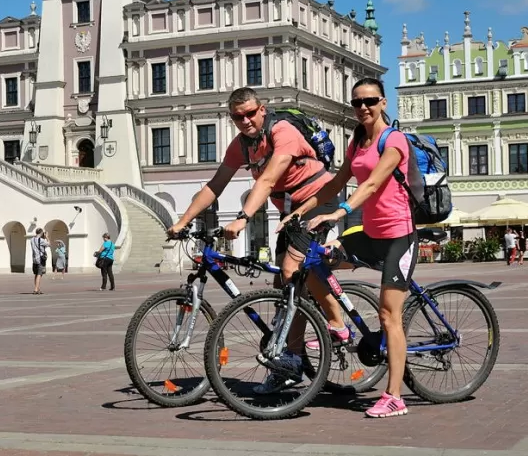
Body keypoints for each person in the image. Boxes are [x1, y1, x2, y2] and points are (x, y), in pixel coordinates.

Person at [166, 86, 347, 393]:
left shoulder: (284, 131)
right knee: (285, 287)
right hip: (290, 211)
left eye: (251, 113)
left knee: (291, 271)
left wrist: (244, 217)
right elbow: (215, 185)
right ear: (232, 118)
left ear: (262, 109)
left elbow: (266, 180)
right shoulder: (242, 146)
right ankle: (292, 360)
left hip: (319, 199)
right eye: (239, 117)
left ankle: (338, 327)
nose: (246, 120)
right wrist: (182, 221)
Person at [286, 77, 416, 418]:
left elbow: (372, 183)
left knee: (390, 317)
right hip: (369, 233)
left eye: (370, 100)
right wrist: (300, 209)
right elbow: (338, 182)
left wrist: (340, 211)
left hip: (398, 237)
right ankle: (339, 325)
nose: (363, 107)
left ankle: (395, 397)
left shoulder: (394, 139)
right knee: (313, 264)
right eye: (357, 102)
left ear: (383, 102)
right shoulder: (357, 140)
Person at [30, 228, 50, 294]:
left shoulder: (32, 239)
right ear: (41, 233)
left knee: (36, 274)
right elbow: (49, 244)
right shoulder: (41, 240)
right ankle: (36, 289)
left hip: (34, 259)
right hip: (40, 259)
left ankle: (37, 289)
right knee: (39, 274)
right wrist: (47, 237)